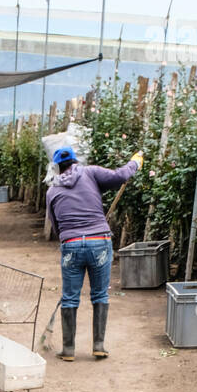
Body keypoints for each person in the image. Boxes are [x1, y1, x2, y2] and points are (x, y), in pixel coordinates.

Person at [46, 145, 143, 362]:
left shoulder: (52, 191)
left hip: (71, 245)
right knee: (100, 294)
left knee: (70, 296)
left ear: (57, 167)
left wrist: (72, 237)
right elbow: (121, 175)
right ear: (75, 161)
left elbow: (55, 227)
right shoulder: (90, 173)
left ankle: (68, 349)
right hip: (99, 241)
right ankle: (98, 346)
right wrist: (135, 162)